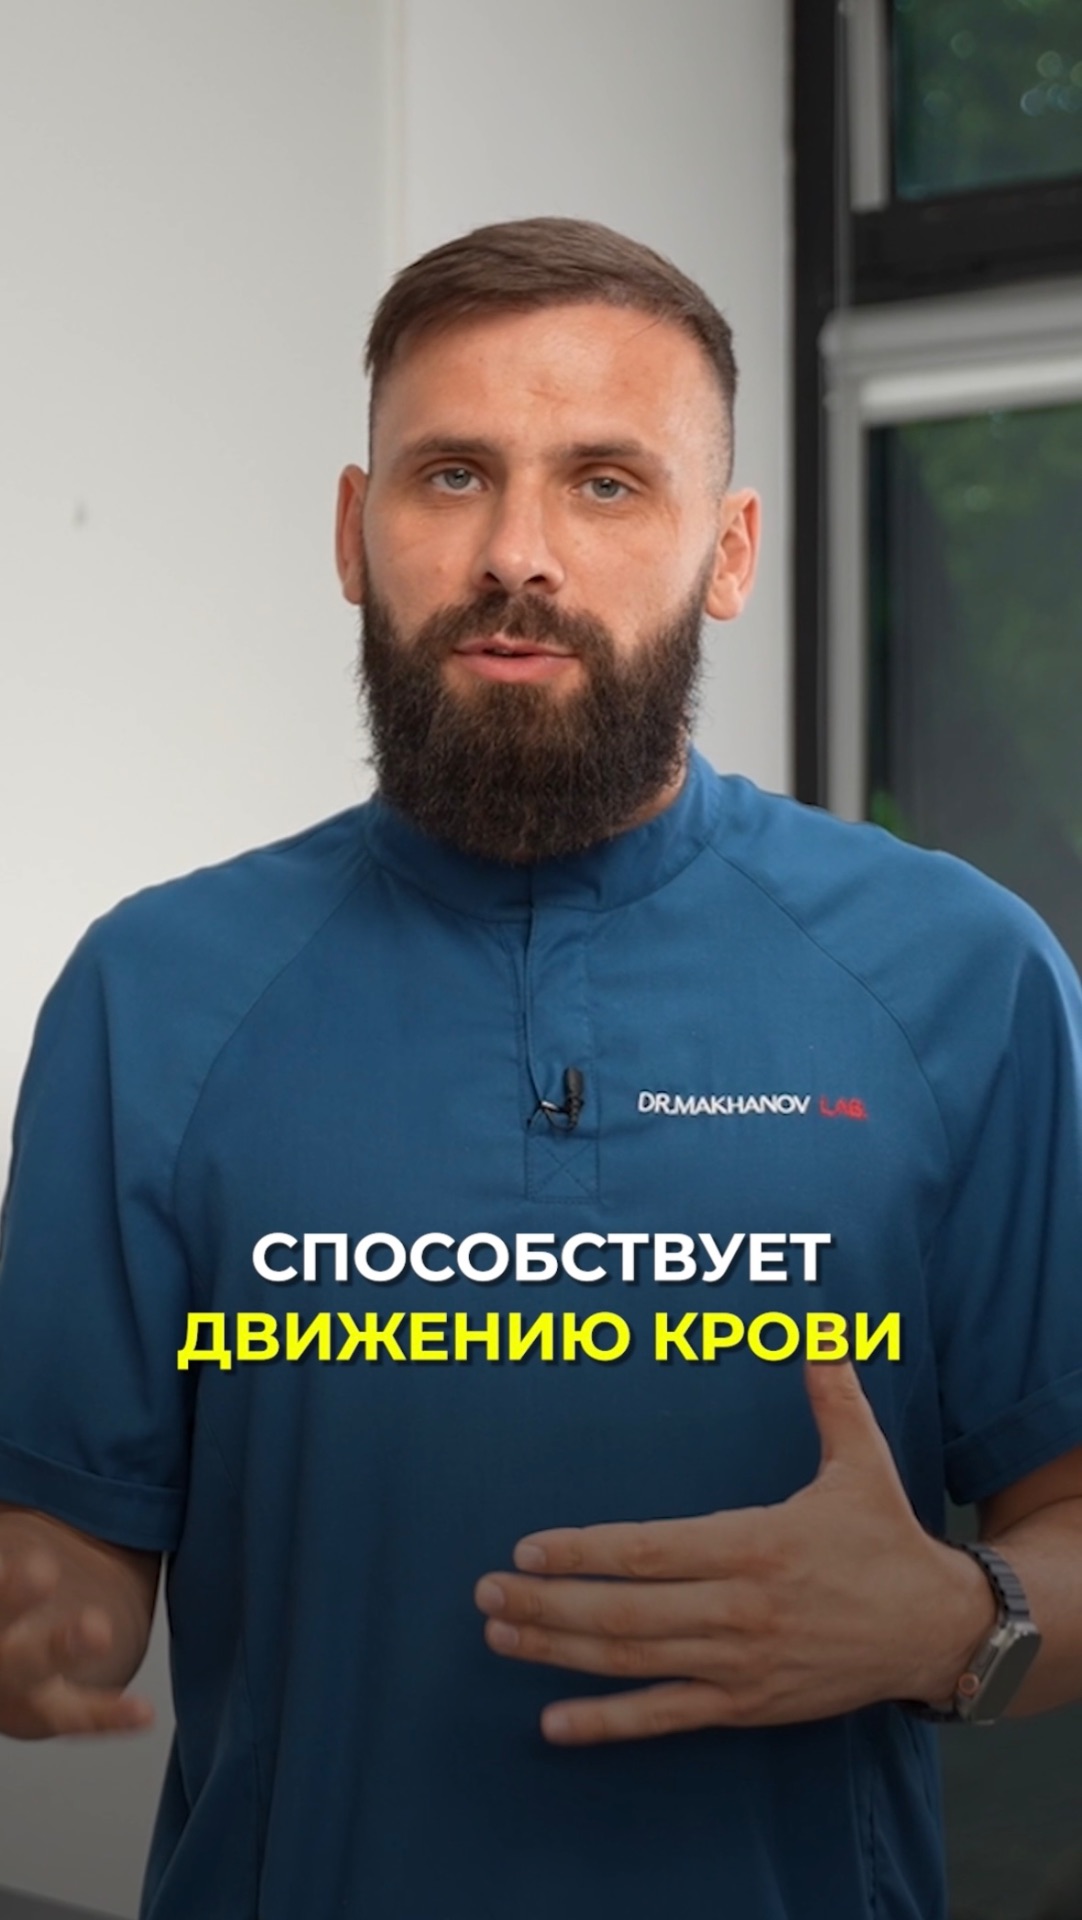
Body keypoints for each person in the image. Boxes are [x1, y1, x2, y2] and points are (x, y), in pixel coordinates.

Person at [1, 215, 1081, 1920]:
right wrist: (31, 1630)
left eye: (604, 483)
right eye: (451, 476)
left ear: (728, 551)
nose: (517, 553)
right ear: (353, 533)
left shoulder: (966, 977)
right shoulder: (150, 995)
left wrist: (957, 1619)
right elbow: (64, 1577)